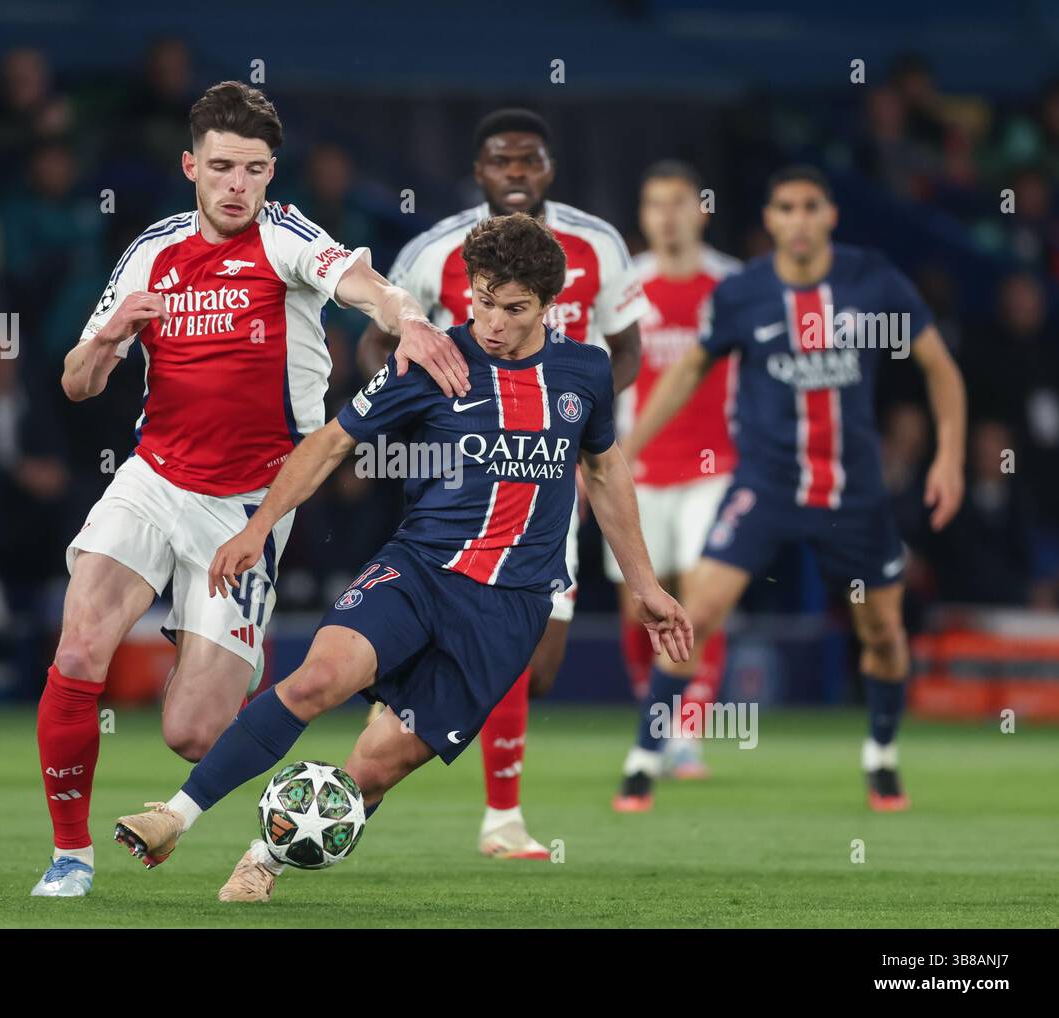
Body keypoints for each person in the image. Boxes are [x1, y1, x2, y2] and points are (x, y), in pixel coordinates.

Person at [113, 213, 690, 902]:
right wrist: (257, 527)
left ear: (548, 306)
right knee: (315, 680)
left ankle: (263, 861)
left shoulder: (585, 372)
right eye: (483, 300)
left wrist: (646, 584)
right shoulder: (432, 360)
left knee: (377, 766)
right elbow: (330, 443)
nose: (494, 322)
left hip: (509, 607)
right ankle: (174, 814)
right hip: (417, 572)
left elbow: (604, 472)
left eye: (515, 309)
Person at [31, 80, 470, 897]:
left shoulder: (287, 239)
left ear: (272, 173)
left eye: (256, 169)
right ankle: (70, 856)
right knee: (81, 647)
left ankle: (257, 708)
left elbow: (367, 286)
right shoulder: (152, 251)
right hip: (152, 479)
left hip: (250, 507)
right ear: (191, 165)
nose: (239, 185)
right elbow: (77, 383)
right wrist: (113, 336)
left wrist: (406, 317)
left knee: (191, 733)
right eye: (224, 167)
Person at [617, 166, 965, 812]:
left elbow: (939, 366)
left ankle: (882, 757)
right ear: (770, 220)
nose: (798, 219)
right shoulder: (743, 294)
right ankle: (643, 761)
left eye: (810, 206)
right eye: (785, 208)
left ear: (829, 214)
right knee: (696, 608)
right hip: (765, 486)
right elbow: (687, 372)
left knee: (884, 633)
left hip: (853, 495)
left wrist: (949, 457)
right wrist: (624, 453)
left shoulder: (874, 280)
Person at [357, 108, 649, 858]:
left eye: (530, 161)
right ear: (478, 171)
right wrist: (423, 419)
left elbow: (626, 347)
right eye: (500, 161)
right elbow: (374, 342)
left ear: (549, 170)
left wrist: (578, 434)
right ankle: (499, 819)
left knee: (538, 665)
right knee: (499, 641)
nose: (516, 173)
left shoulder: (599, 244)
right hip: (461, 479)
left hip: (549, 473)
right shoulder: (433, 250)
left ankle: (381, 744)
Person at [610, 160, 740, 797]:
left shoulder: (733, 284)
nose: (666, 216)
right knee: (638, 605)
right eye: (654, 204)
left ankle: (685, 732)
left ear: (702, 210)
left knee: (699, 600)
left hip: (718, 468)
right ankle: (654, 716)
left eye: (678, 203)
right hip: (636, 470)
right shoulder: (626, 286)